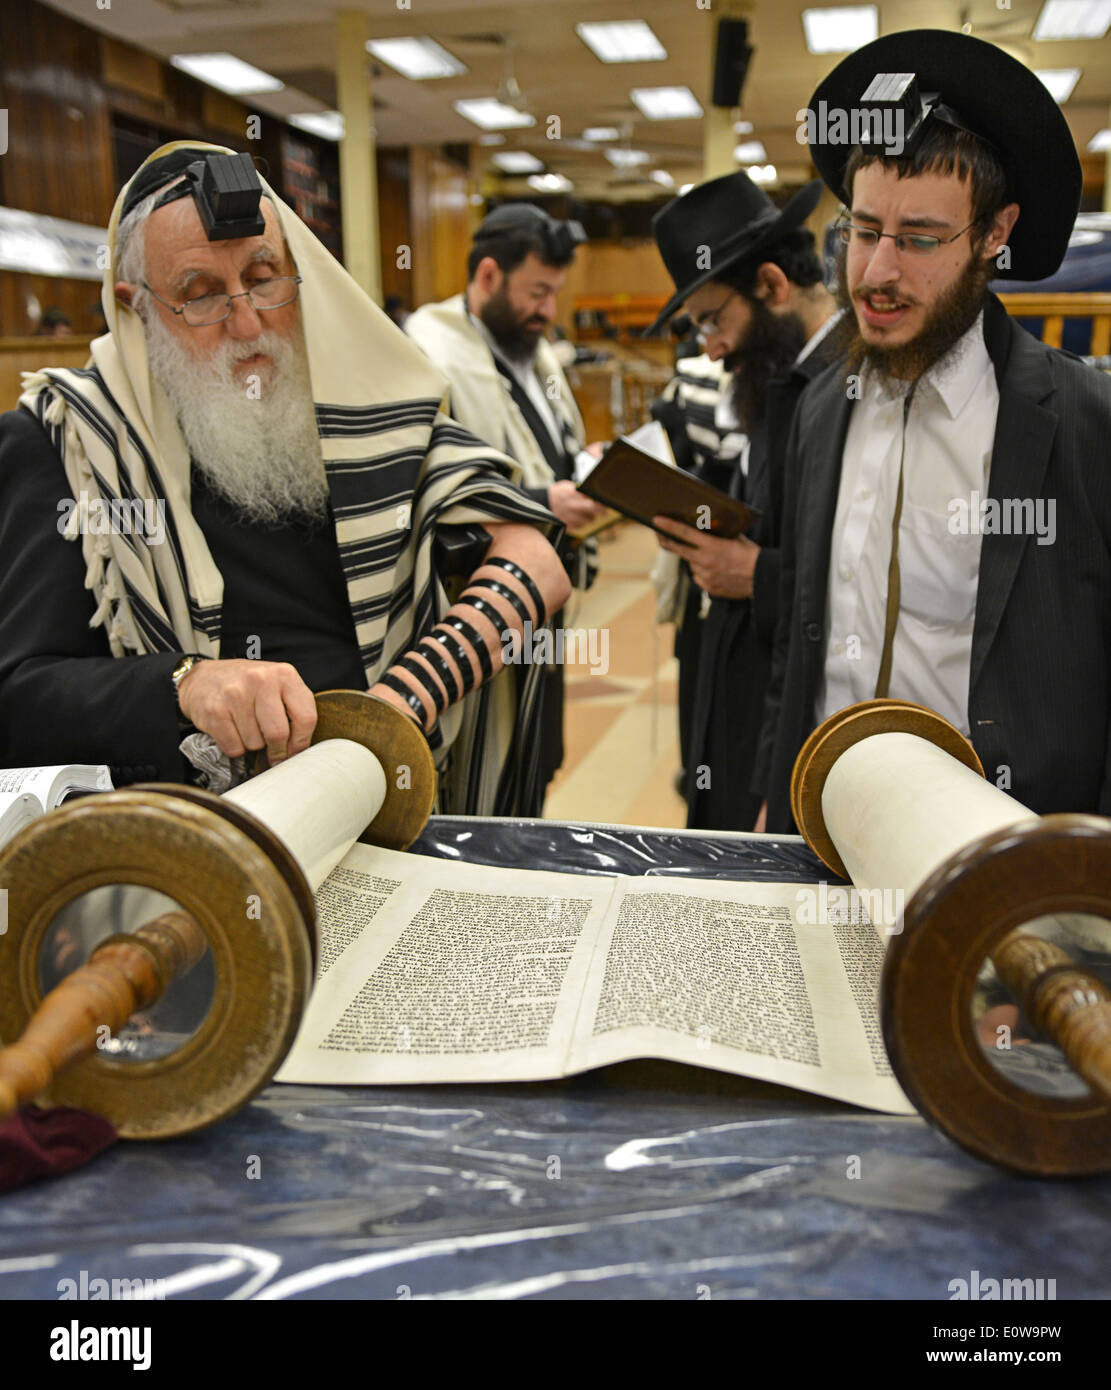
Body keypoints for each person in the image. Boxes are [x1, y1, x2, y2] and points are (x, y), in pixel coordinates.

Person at [0, 143, 570, 814]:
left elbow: (535, 559)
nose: (249, 325)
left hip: (388, 797)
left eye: (264, 277)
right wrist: (184, 684)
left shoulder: (358, 411)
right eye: (201, 294)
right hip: (199, 838)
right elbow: (19, 694)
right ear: (136, 305)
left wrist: (398, 704)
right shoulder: (69, 445)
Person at [754, 29, 1111, 831]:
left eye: (917, 240)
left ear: (993, 234)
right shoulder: (818, 407)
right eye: (862, 230)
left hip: (1005, 867)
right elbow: (800, 641)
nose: (877, 272)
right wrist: (772, 801)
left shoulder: (1084, 427)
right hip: (824, 844)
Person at [645, 170, 840, 829]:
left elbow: (862, 582)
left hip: (787, 733)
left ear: (771, 285)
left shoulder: (848, 390)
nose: (712, 348)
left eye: (712, 320)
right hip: (740, 706)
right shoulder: (776, 376)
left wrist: (754, 573)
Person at [406, 204, 608, 804]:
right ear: (489, 276)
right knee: (486, 775)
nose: (549, 311)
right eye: (538, 292)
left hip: (543, 599)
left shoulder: (530, 352)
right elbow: (432, 494)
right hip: (476, 606)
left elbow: (547, 444)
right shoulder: (429, 353)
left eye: (554, 293)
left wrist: (584, 466)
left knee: (536, 758)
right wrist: (544, 500)